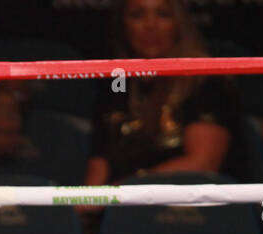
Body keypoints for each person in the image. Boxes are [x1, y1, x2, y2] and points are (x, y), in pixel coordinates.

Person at [85, 0, 238, 187]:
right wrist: (89, 203)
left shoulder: (205, 79)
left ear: (180, 23)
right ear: (123, 25)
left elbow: (202, 164)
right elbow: (99, 166)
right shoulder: (116, 82)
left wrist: (122, 191)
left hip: (193, 207)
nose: (150, 25)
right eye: (137, 15)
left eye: (163, 14)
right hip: (123, 209)